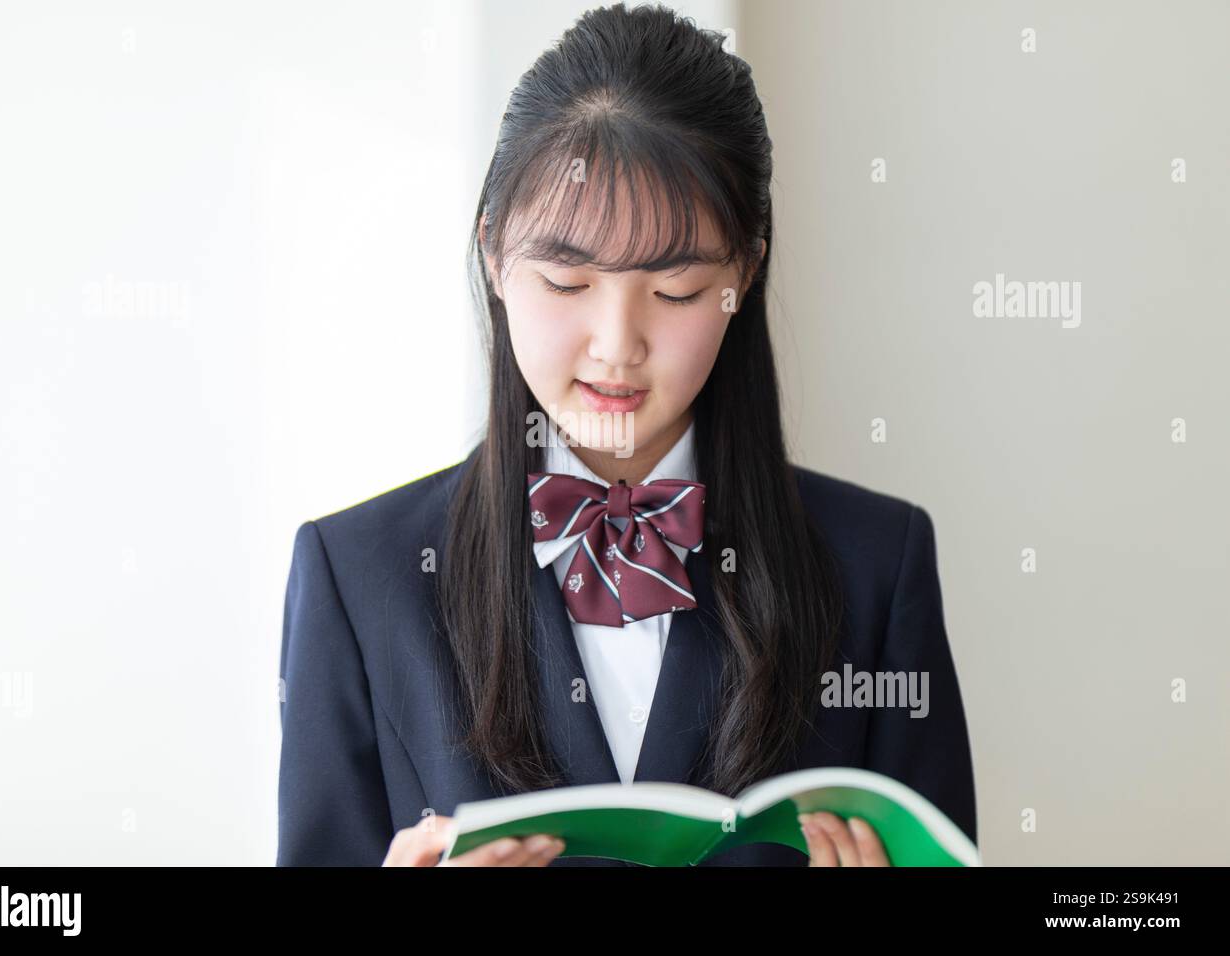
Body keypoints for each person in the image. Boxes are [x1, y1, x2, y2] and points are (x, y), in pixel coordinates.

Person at [276, 2, 976, 867]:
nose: (618, 345)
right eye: (567, 282)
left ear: (745, 271)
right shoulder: (358, 578)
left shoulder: (878, 566)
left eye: (676, 289)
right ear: (495, 256)